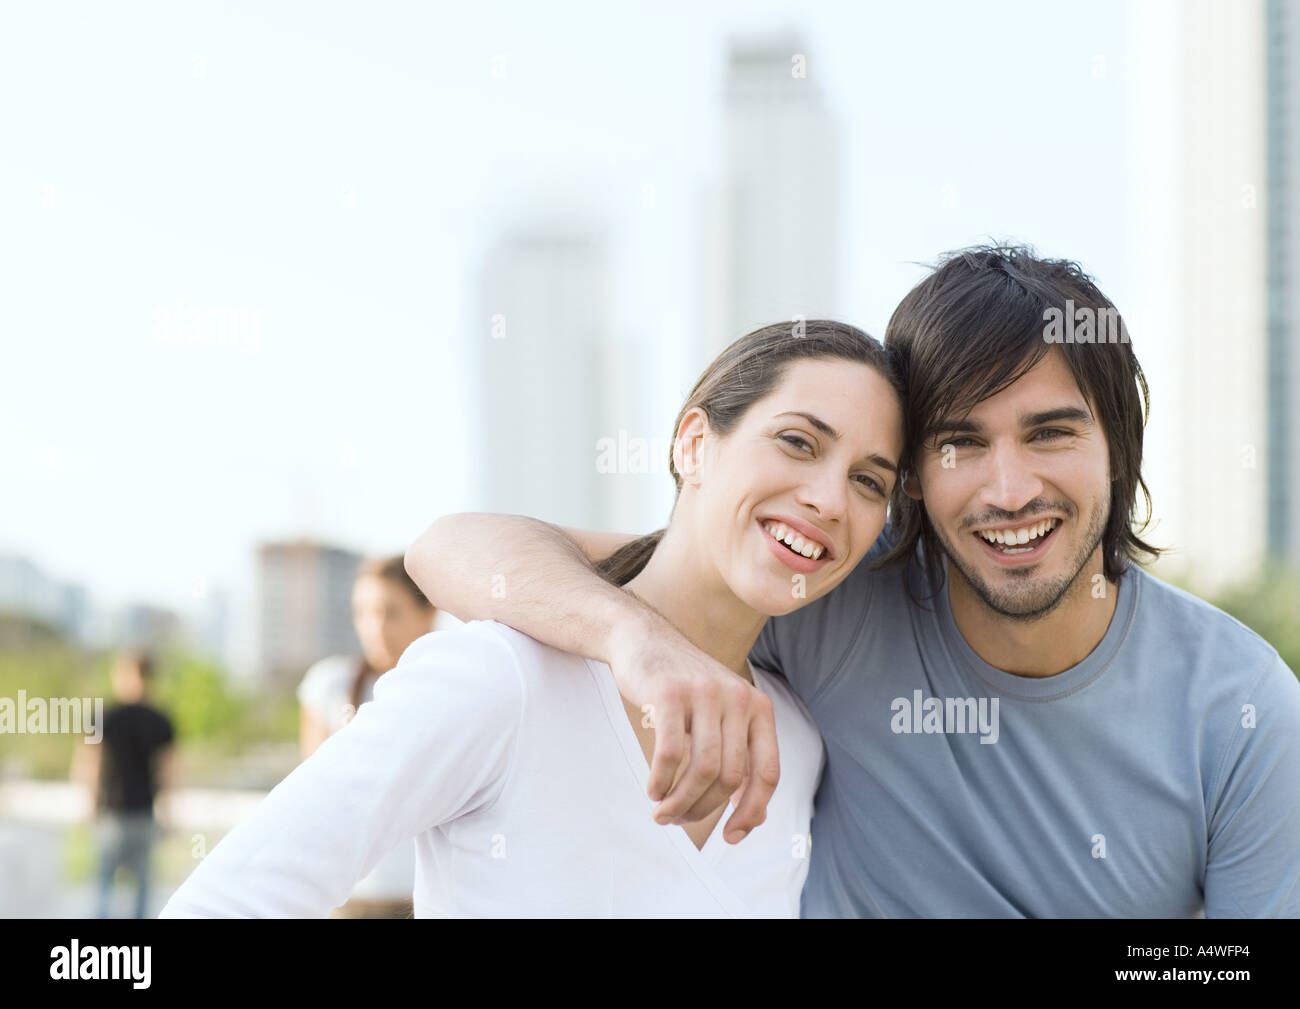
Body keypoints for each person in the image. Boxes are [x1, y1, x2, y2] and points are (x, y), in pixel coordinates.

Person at [404, 243, 1300, 918]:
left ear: (1118, 448)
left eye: (1052, 433)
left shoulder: (1242, 704)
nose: (1009, 487)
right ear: (910, 473)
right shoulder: (827, 595)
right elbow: (452, 547)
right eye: (960, 442)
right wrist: (633, 637)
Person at [158, 319, 906, 918]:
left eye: (868, 481)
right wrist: (633, 636)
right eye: (798, 441)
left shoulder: (797, 744)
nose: (830, 499)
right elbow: (230, 899)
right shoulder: (501, 676)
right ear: (693, 444)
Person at [297, 554, 437, 918]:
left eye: (391, 613)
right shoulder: (331, 684)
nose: (375, 628)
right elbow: (312, 799)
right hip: (350, 899)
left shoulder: (451, 690)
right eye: (363, 613)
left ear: (429, 613)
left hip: (427, 900)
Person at [74, 650, 177, 919]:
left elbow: (90, 764)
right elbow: (168, 772)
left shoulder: (103, 716)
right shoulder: (161, 719)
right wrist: (167, 814)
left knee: (104, 886)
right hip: (141, 814)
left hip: (114, 814)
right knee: (140, 889)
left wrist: (88, 805)